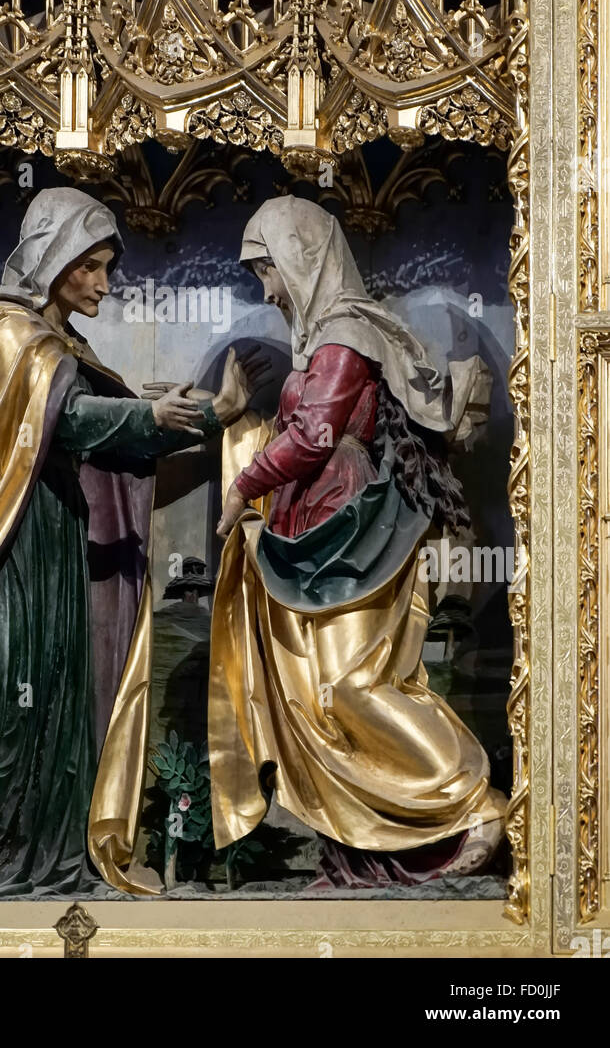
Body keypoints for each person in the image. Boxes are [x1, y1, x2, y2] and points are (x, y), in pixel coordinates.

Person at [0, 187, 265, 898]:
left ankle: (17, 849)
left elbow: (107, 432)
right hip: (4, 542)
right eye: (94, 266)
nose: (105, 283)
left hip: (56, 538)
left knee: (48, 704)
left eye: (108, 267)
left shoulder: (61, 345)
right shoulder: (7, 332)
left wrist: (213, 414)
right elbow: (72, 419)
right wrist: (152, 417)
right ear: (55, 261)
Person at [210, 195, 507, 886]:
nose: (265, 289)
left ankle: (473, 802)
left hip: (354, 528)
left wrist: (238, 487)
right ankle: (379, 843)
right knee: (323, 693)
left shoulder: (345, 335)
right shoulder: (326, 338)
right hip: (320, 522)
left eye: (267, 270)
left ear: (300, 258)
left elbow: (314, 436)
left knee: (353, 686)